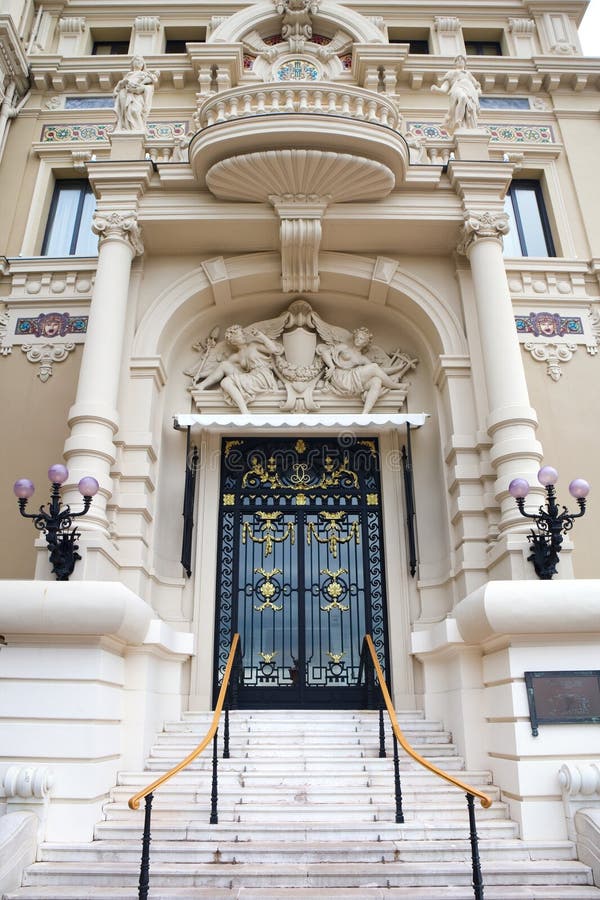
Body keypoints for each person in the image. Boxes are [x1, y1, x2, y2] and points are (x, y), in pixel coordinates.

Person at [316, 327, 411, 414]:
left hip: (352, 382)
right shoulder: (344, 347)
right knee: (373, 367)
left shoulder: (362, 358)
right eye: (357, 337)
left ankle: (364, 413)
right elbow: (325, 352)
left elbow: (380, 371)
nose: (358, 339)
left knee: (377, 380)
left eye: (361, 339)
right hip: (341, 378)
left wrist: (396, 369)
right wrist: (332, 366)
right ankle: (396, 386)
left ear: (365, 343)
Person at [194, 325, 284, 413]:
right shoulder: (236, 357)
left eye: (242, 334)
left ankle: (244, 411)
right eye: (239, 335)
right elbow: (218, 370)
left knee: (226, 382)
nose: (243, 335)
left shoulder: (253, 346)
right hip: (251, 376)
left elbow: (274, 349)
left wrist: (261, 336)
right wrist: (200, 375)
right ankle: (202, 385)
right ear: (233, 341)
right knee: (224, 365)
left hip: (262, 376)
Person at [431, 55, 481, 133]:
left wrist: (478, 91)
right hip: (457, 88)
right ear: (455, 63)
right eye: (458, 60)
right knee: (463, 97)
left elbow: (477, 86)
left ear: (465, 63)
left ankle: (464, 124)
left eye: (462, 60)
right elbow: (445, 87)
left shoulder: (468, 74)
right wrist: (438, 90)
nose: (460, 61)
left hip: (469, 90)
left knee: (469, 108)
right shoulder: (451, 73)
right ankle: (458, 121)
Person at [113, 57, 159, 133]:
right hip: (125, 94)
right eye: (136, 61)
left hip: (137, 96)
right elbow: (119, 87)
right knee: (126, 111)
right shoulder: (128, 75)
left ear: (143, 65)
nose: (138, 62)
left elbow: (150, 86)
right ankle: (126, 126)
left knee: (135, 110)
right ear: (132, 64)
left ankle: (137, 128)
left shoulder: (146, 74)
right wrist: (123, 84)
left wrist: (141, 88)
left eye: (140, 61)